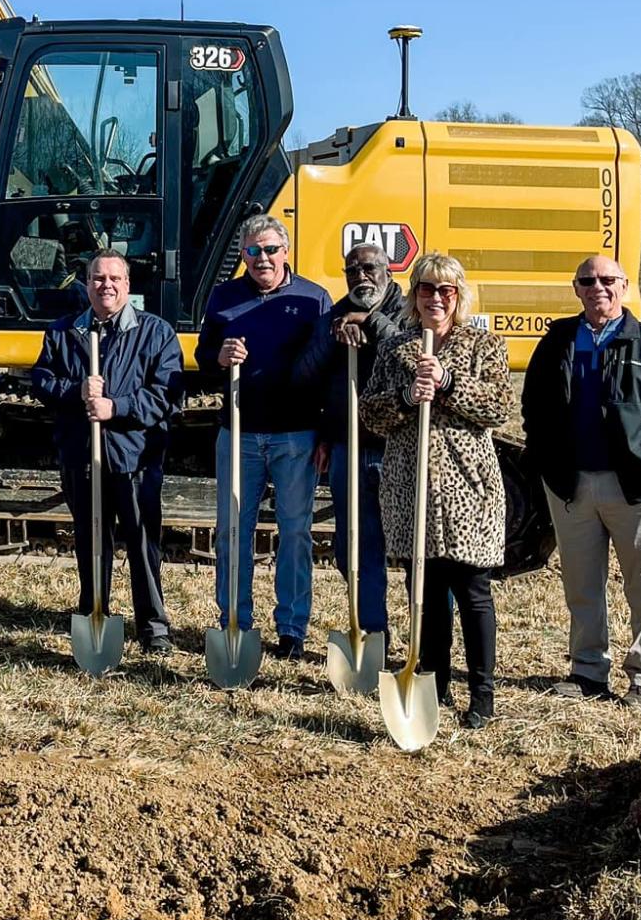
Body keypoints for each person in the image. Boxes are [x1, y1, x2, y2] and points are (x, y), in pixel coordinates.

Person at [523, 255, 641, 714]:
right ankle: (588, 672)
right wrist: (547, 464)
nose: (597, 287)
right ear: (576, 289)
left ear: (624, 287)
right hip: (571, 487)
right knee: (582, 585)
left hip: (636, 490)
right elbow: (534, 410)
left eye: (607, 280)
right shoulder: (558, 341)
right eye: (588, 280)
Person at [359, 253, 512, 728]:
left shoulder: (484, 345)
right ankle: (435, 684)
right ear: (415, 295)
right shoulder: (396, 349)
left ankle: (482, 694)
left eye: (446, 290)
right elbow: (371, 414)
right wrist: (407, 398)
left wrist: (447, 383)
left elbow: (499, 406)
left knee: (472, 589)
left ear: (458, 296)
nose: (436, 299)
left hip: (468, 484)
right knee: (425, 588)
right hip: (411, 484)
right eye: (427, 289)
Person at [29, 251, 184, 655]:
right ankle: (93, 612)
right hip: (81, 455)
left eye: (115, 278)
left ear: (128, 285)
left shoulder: (155, 333)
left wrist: (117, 407)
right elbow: (41, 380)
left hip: (134, 456)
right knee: (90, 539)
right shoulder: (64, 332)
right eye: (98, 278)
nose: (106, 286)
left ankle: (153, 627)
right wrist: (75, 391)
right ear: (87, 284)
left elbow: (167, 394)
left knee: (142, 542)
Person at [193, 213, 331, 659]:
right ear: (244, 255)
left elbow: (327, 370)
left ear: (286, 252)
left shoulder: (313, 299)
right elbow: (202, 356)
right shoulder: (225, 297)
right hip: (240, 435)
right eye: (253, 251)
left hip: (296, 435)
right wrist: (219, 356)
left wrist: (327, 433)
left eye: (271, 249)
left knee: (295, 533)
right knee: (233, 532)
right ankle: (235, 622)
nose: (263, 258)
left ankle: (291, 629)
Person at [296, 242, 412, 650]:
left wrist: (371, 321)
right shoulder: (334, 315)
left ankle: (430, 643)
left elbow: (408, 354)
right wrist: (333, 337)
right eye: (352, 270)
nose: (361, 277)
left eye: (370, 268)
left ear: (388, 272)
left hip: (401, 449)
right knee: (356, 549)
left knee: (419, 550)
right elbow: (305, 377)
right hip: (349, 447)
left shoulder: (408, 311)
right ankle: (373, 637)